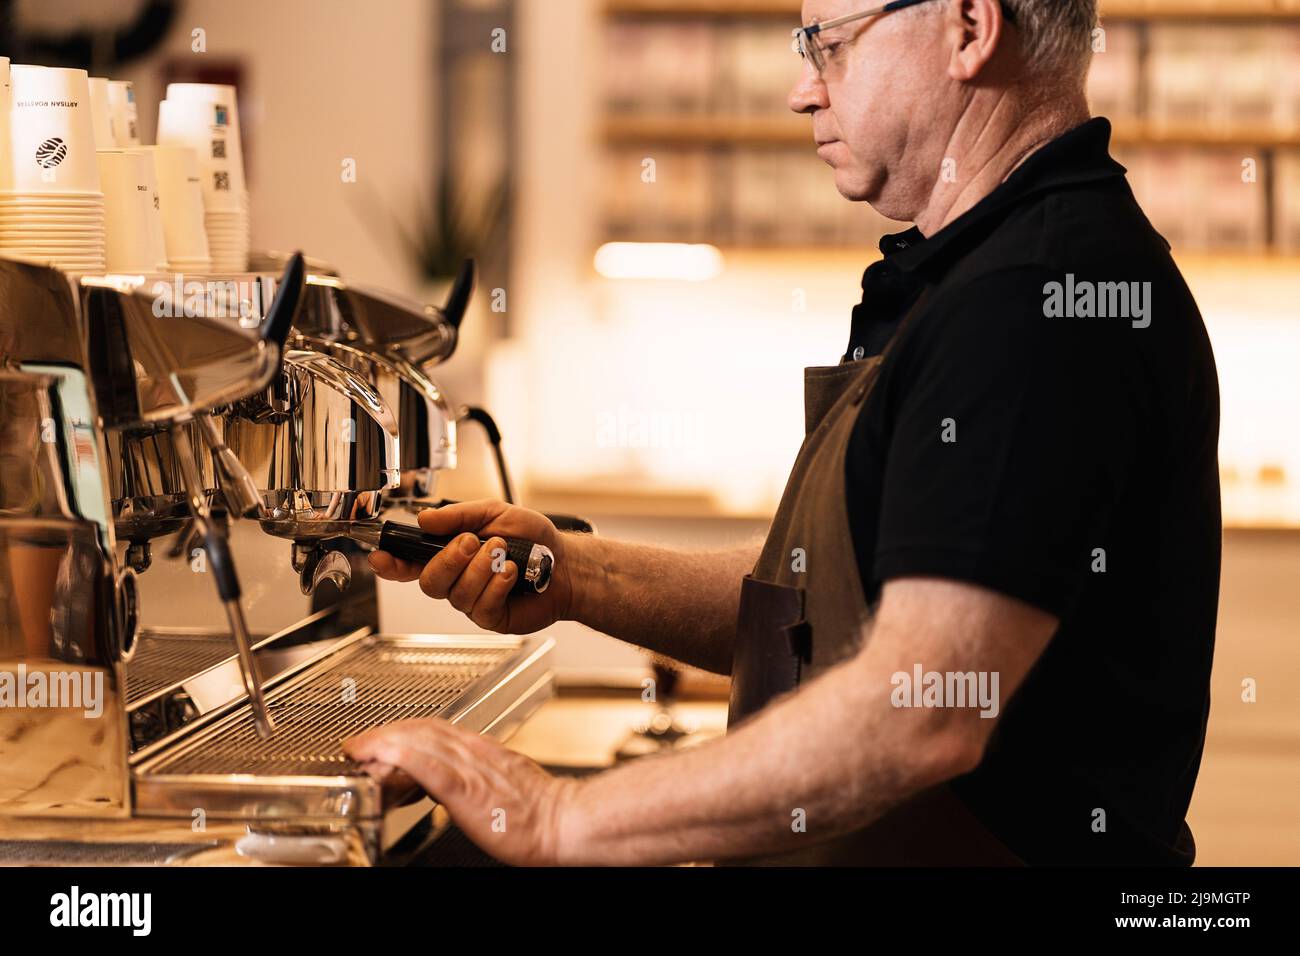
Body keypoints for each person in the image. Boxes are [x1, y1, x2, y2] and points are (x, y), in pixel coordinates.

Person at [344, 0, 1221, 866]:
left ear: (968, 28)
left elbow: (922, 713)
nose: (801, 92)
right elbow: (835, 606)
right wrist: (577, 572)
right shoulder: (977, 271)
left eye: (828, 45)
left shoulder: (1035, 297)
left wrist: (557, 817)